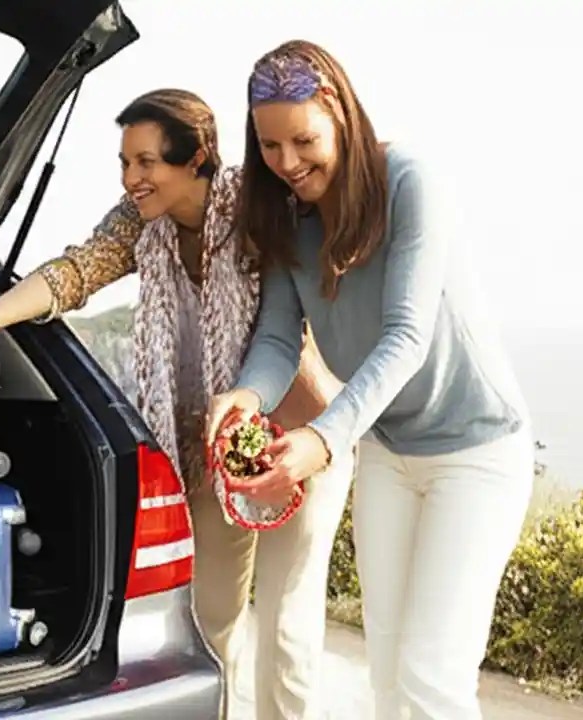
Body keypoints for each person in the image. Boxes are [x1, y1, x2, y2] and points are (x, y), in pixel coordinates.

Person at [0, 88, 354, 720]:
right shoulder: (140, 226)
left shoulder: (261, 208)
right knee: (207, 626)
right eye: (125, 162)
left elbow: (339, 235)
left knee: (288, 632)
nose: (131, 178)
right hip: (207, 450)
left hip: (294, 444)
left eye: (146, 161)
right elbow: (73, 273)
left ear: (198, 157)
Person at [207, 40, 533, 720]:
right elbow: (275, 338)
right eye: (270, 146)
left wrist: (321, 441)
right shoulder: (286, 220)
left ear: (341, 114)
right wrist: (245, 397)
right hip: (388, 451)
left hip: (476, 454)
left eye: (303, 140)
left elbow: (407, 336)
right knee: (387, 674)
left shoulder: (411, 181)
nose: (288, 164)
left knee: (431, 677)